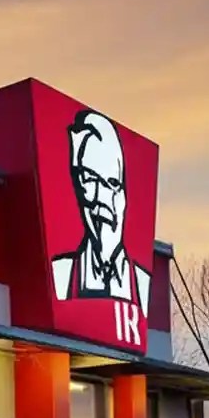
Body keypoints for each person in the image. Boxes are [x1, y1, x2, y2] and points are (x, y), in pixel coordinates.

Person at [51, 109, 151, 315]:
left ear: (124, 195)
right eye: (90, 179)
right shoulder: (60, 276)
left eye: (112, 183)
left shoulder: (143, 285)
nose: (100, 196)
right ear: (78, 186)